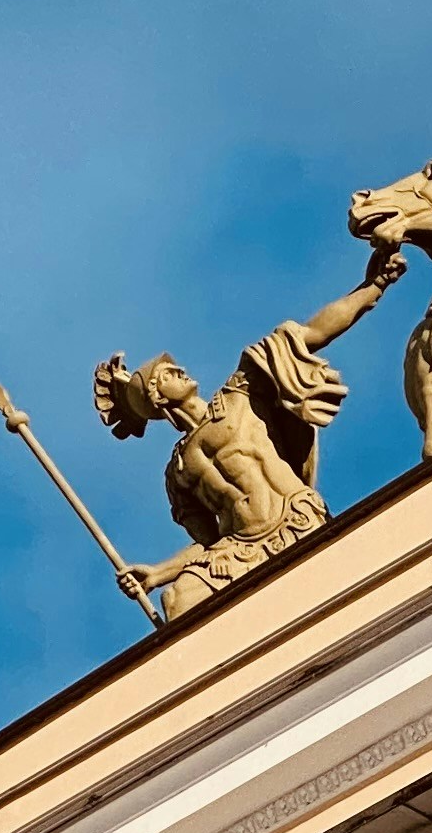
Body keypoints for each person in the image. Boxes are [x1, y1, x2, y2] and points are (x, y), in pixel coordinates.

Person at [93, 246, 405, 627]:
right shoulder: (177, 472)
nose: (182, 370)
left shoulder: (240, 393)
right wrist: (159, 573)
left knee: (344, 610)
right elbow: (206, 544)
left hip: (294, 521)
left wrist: (372, 287)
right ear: (157, 397)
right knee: (179, 599)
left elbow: (309, 334)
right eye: (170, 373)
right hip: (238, 549)